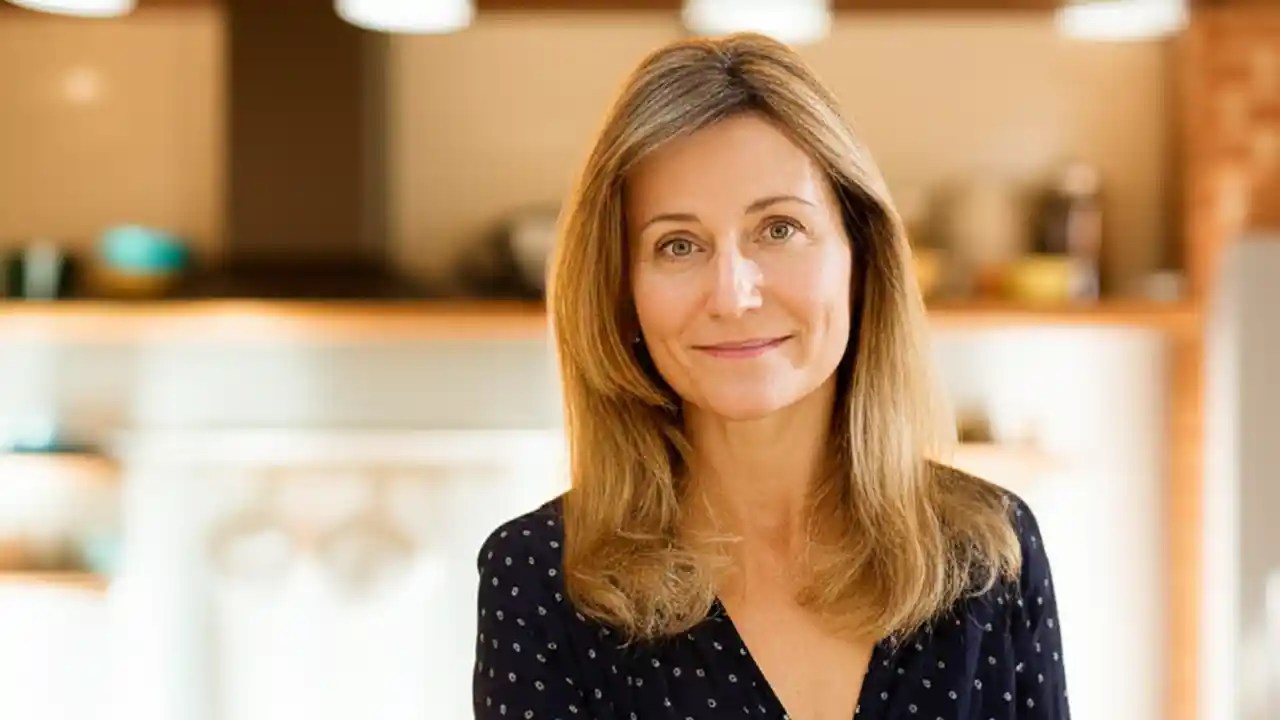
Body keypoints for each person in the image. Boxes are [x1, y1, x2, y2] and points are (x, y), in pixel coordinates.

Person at [473, 32, 1069, 720]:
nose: (733, 293)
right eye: (678, 244)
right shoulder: (541, 581)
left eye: (779, 229)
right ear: (621, 290)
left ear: (860, 255)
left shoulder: (990, 552)